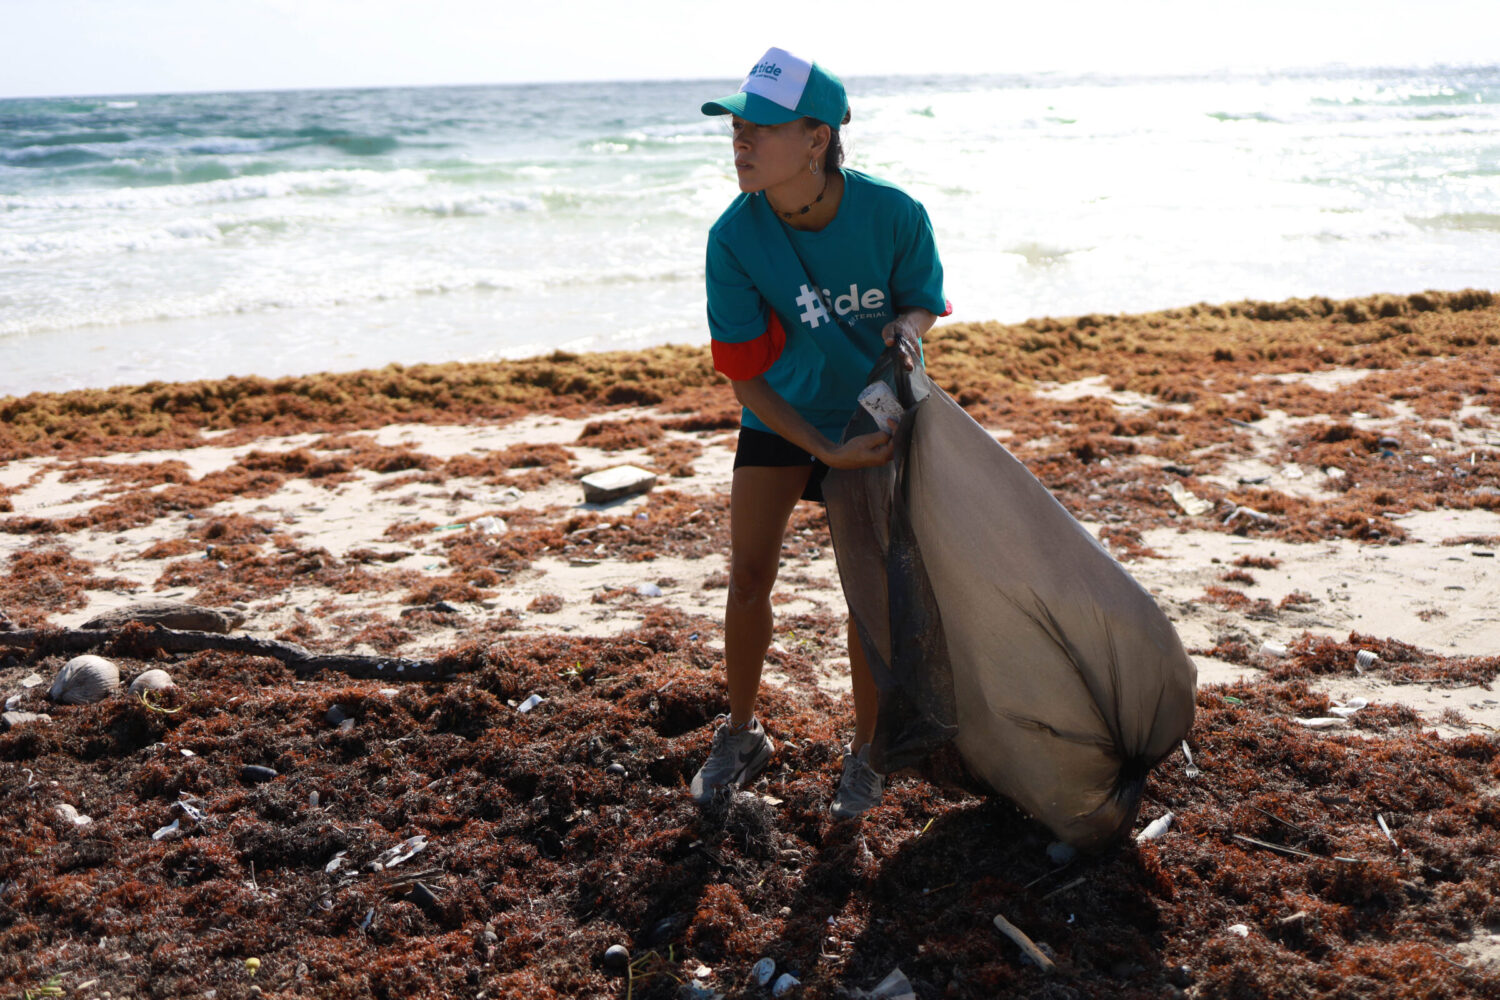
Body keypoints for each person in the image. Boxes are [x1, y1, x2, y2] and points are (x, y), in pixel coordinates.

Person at [689, 47, 950, 819]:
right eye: (736, 127)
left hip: (872, 414)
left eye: (760, 128)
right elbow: (744, 377)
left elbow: (920, 300)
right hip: (782, 410)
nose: (741, 141)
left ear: (816, 138)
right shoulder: (734, 238)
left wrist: (905, 329)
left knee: (867, 596)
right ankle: (741, 733)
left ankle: (868, 753)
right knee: (748, 577)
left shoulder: (894, 213)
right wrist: (819, 448)